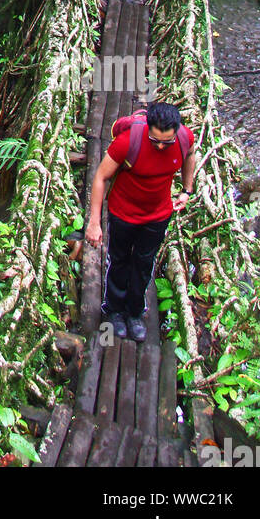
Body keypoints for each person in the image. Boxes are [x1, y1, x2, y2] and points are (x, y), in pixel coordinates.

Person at [85, 102, 196, 343]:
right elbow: (101, 177)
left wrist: (186, 190)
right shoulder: (128, 141)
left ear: (176, 133)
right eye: (154, 139)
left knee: (144, 262)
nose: (159, 146)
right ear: (148, 129)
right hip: (123, 213)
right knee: (119, 259)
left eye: (166, 142)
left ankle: (135, 312)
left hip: (157, 215)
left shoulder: (184, 139)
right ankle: (113, 309)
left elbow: (190, 156)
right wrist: (94, 221)